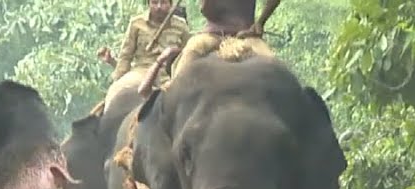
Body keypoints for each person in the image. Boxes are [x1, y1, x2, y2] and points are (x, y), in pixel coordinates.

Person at [140, 0, 281, 94]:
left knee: (276, 71)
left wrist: (260, 23)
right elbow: (206, 10)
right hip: (213, 35)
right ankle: (173, 92)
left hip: (246, 35)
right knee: (190, 53)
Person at [96, 0, 191, 108]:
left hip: (169, 75)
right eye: (154, 2)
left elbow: (188, 55)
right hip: (141, 72)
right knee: (117, 91)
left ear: (171, 4)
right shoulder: (136, 23)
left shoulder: (181, 25)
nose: (159, 7)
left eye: (163, 2)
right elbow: (126, 56)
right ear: (148, 3)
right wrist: (117, 80)